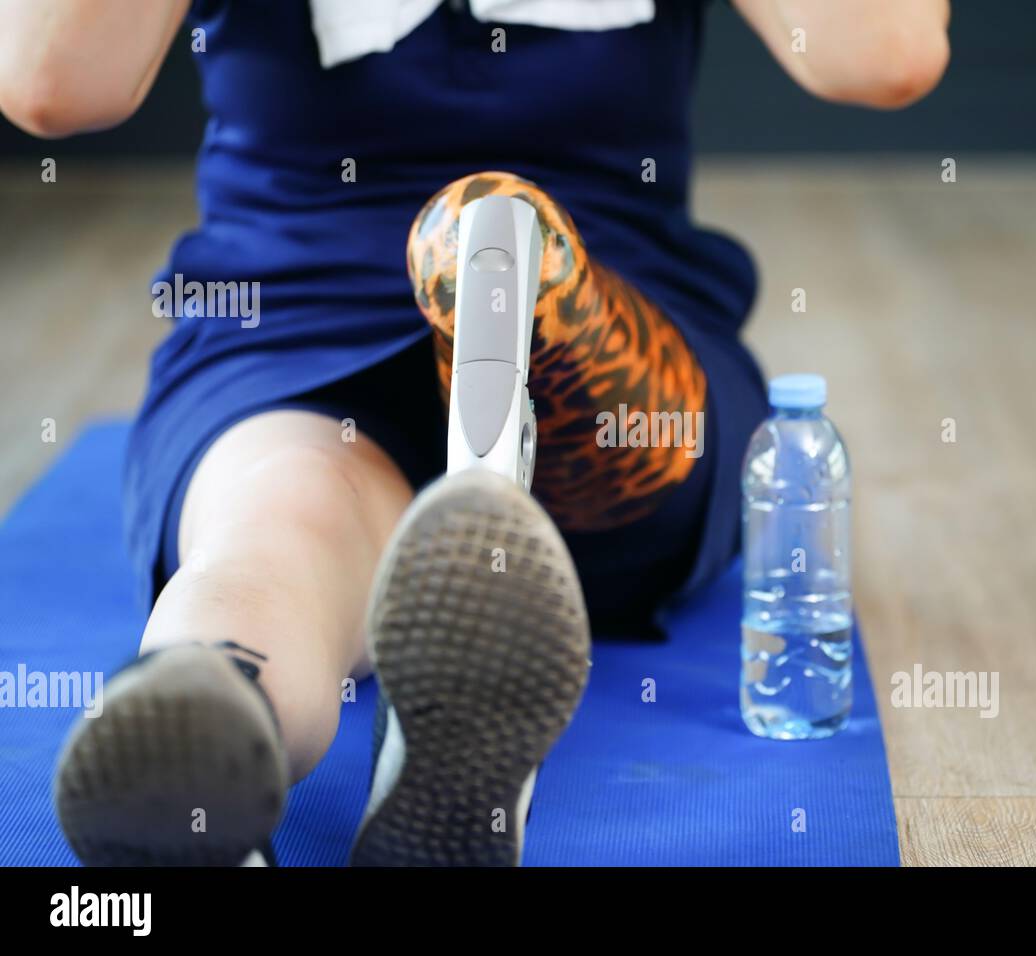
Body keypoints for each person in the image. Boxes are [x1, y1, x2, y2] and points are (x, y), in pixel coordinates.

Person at [0, 0, 949, 865]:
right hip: (300, 316)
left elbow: (886, 53)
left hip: (616, 352)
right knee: (282, 517)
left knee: (298, 511)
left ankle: (514, 291)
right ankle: (200, 746)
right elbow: (51, 85)